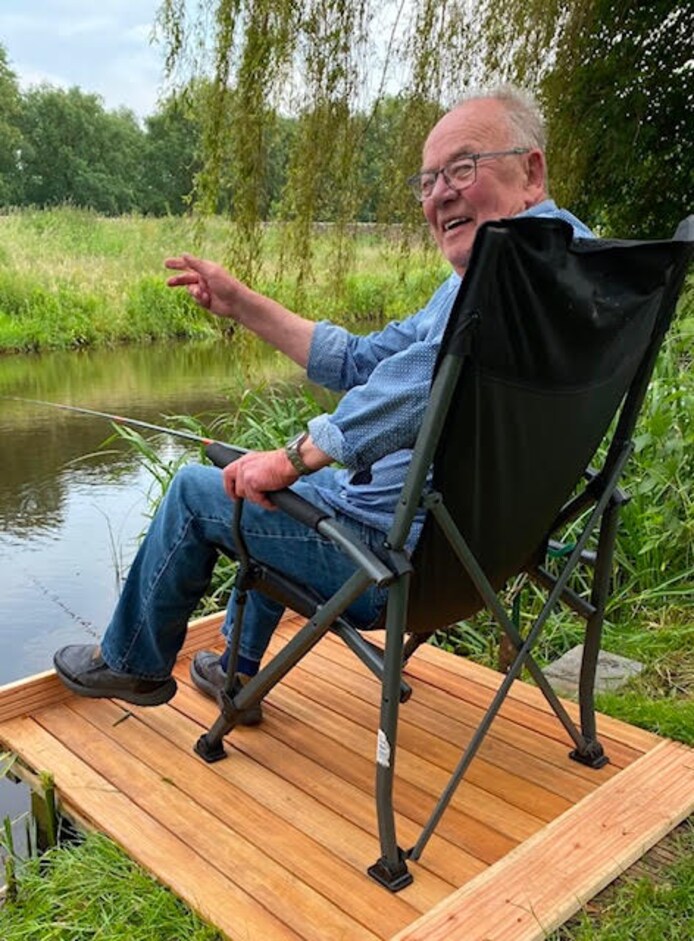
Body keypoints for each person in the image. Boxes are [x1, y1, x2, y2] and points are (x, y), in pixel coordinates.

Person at [53, 85, 593, 715]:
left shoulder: (511, 273)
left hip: (394, 567)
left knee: (197, 494)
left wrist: (294, 456)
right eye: (427, 180)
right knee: (278, 490)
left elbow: (425, 378)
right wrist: (244, 304)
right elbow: (367, 362)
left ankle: (131, 665)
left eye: (463, 168)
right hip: (487, 564)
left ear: (531, 171)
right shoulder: (570, 273)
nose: (440, 192)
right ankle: (235, 671)